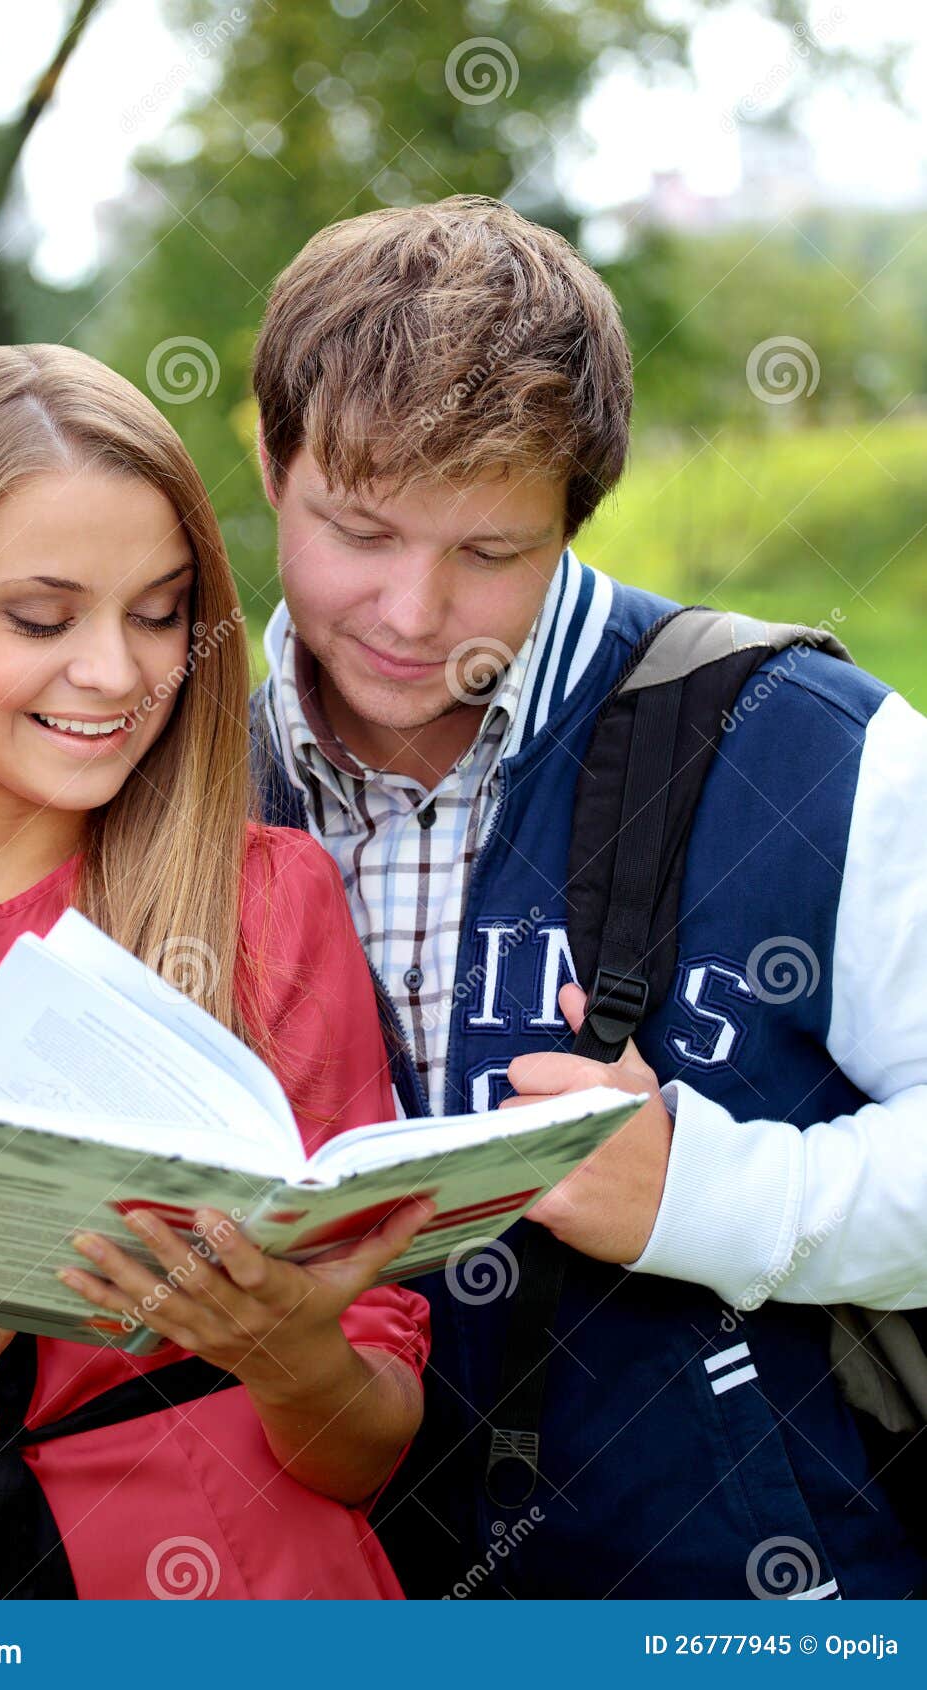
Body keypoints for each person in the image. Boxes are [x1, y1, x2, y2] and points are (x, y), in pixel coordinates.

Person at [247, 195, 927, 1599]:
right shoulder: (152, 776)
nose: (412, 611)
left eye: (488, 552)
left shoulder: (817, 749)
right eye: (358, 530)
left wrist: (705, 1194)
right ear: (269, 461)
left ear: (575, 509)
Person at [0, 343, 433, 1601]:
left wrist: (291, 1353)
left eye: (159, 613)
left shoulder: (269, 900)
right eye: (42, 618)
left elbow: (367, 1443)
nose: (118, 673)